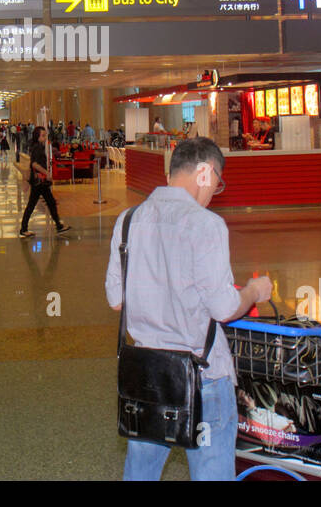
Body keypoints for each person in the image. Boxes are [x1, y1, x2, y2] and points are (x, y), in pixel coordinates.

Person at [105, 137, 272, 481]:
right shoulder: (206, 224)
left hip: (149, 376)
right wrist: (254, 291)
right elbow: (224, 308)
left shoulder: (128, 220)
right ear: (205, 172)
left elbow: (115, 299)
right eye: (217, 182)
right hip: (203, 375)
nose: (214, 192)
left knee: (141, 473)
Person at [19, 127, 71, 239]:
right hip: (39, 181)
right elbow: (34, 164)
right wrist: (46, 173)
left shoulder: (38, 147)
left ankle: (58, 225)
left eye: (45, 135)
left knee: (48, 202)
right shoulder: (37, 148)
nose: (44, 137)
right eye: (42, 135)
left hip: (39, 181)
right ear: (37, 137)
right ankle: (24, 228)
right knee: (38, 204)